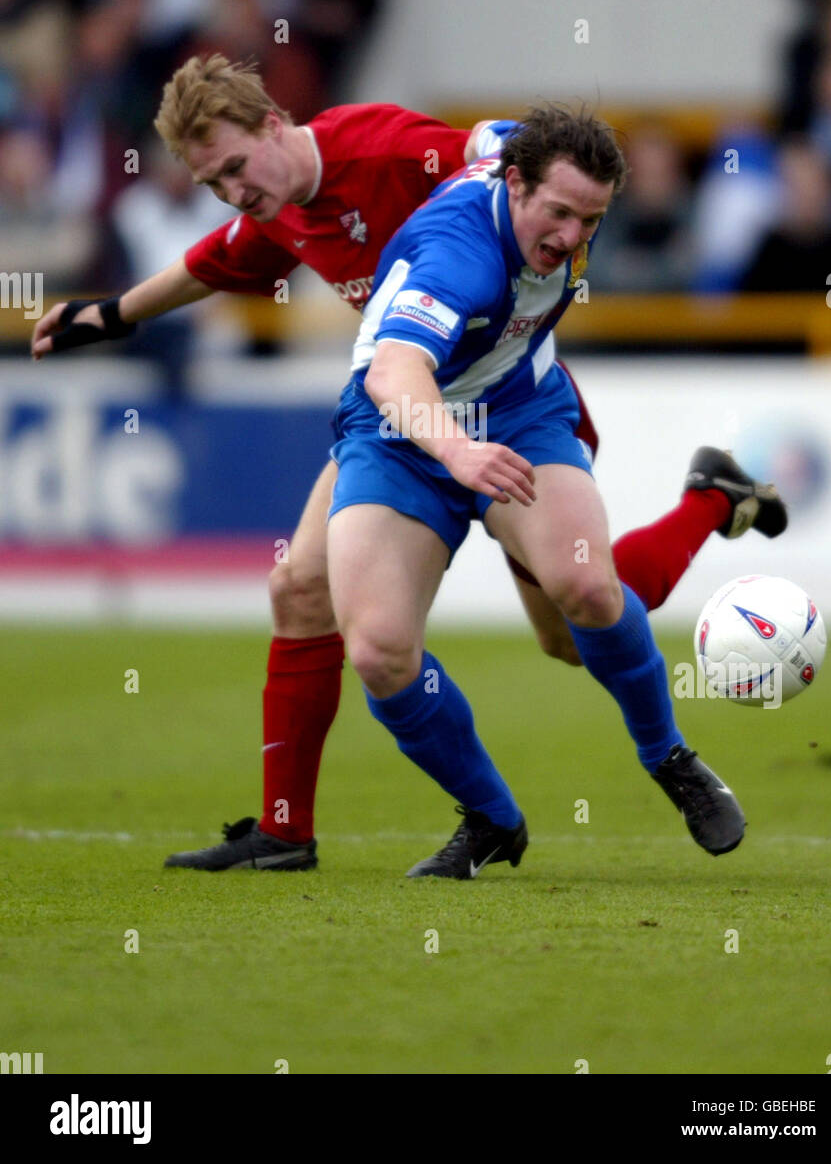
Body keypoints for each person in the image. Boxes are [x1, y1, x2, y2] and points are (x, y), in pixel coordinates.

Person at [30, 57, 786, 873]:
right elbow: (221, 261)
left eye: (235, 169)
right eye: (214, 181)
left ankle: (706, 513)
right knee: (321, 602)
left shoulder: (396, 152)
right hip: (403, 413)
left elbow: (485, 149)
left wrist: (505, 151)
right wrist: (110, 314)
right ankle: (297, 829)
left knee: (578, 612)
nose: (232, 191)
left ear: (275, 127)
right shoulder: (277, 204)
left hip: (510, 405)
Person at [325, 103, 755, 878]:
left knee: (587, 590)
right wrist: (457, 452)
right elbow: (393, 372)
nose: (569, 237)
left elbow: (490, 131)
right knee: (381, 652)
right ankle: (492, 818)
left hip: (521, 413)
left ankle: (670, 759)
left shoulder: (516, 157)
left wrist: (477, 443)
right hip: (400, 430)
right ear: (514, 186)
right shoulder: (462, 255)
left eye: (590, 221)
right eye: (558, 213)